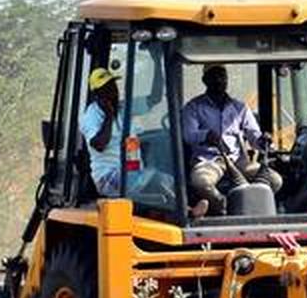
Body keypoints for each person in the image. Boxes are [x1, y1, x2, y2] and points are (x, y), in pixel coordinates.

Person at [182, 64, 282, 216]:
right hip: (209, 161)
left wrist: (263, 141)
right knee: (201, 182)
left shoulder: (239, 108)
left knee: (275, 180)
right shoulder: (194, 107)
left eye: (222, 76)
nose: (219, 80)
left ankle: (255, 207)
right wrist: (206, 135)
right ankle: (224, 207)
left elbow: (254, 136)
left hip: (238, 161)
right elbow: (188, 135)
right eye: (214, 76)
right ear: (205, 80)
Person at [80, 67, 172, 201]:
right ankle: (188, 212)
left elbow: (155, 97)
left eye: (113, 87)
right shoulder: (91, 116)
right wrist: (109, 116)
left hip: (132, 170)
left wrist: (156, 59)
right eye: (106, 89)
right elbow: (99, 144)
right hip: (109, 178)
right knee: (155, 180)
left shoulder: (124, 108)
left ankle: (188, 208)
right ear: (96, 94)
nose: (113, 93)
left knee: (168, 179)